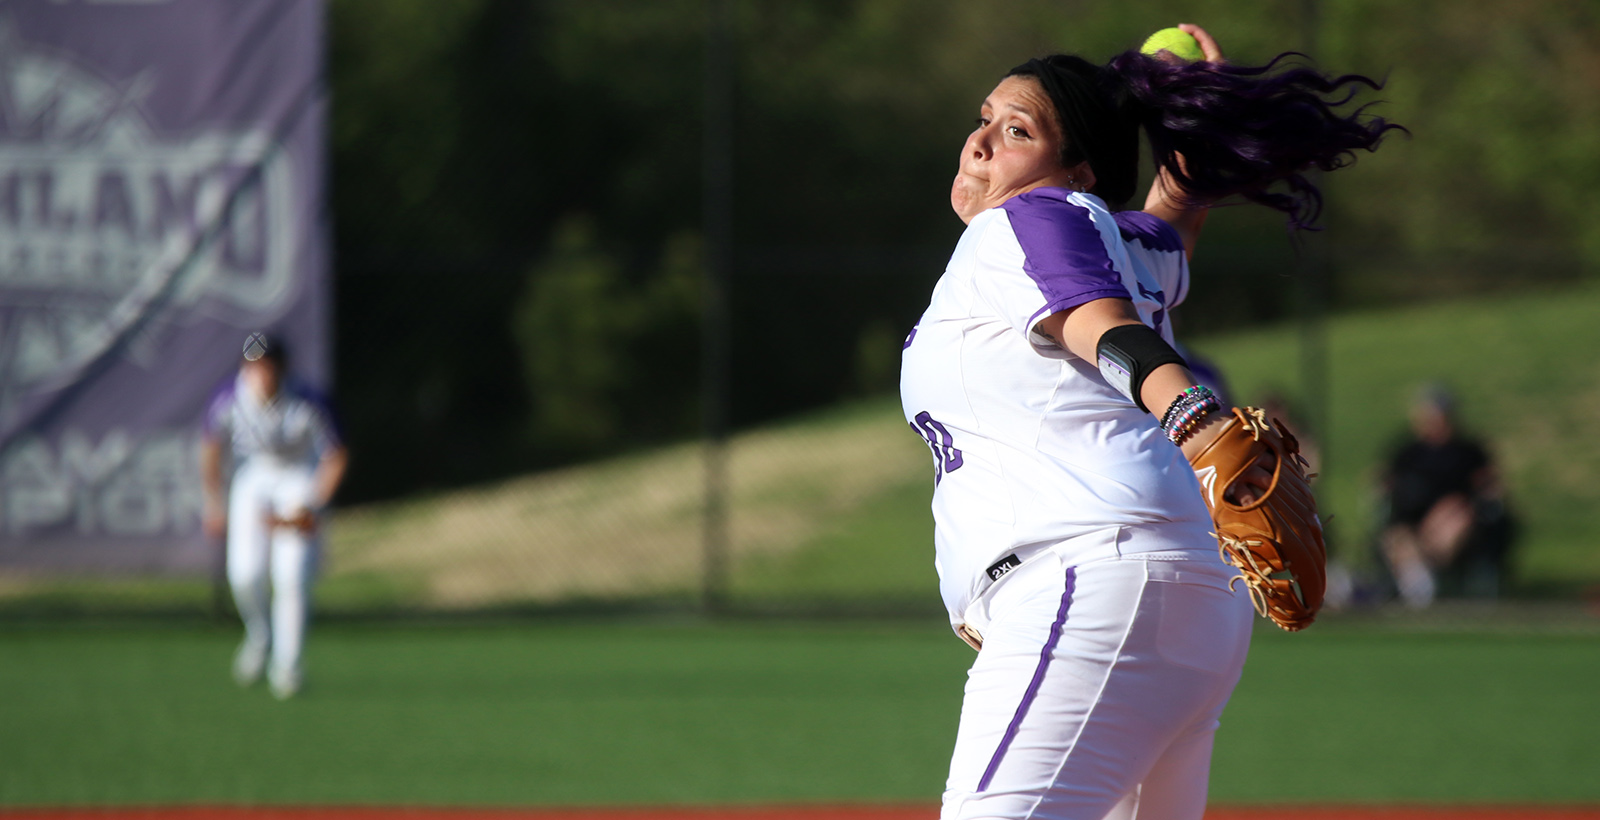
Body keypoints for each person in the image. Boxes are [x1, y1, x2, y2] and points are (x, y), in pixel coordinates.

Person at [899, 24, 1398, 819]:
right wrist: (1185, 111)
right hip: (1173, 602)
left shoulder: (1019, 221)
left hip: (1091, 583)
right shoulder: (1113, 244)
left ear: (1078, 173)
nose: (982, 142)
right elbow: (1171, 222)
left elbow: (1103, 326)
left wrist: (1198, 423)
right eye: (985, 118)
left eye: (1018, 131)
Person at [202, 333, 348, 700]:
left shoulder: (308, 400)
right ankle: (259, 635)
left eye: (266, 366)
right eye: (253, 366)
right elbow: (211, 446)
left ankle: (288, 667)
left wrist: (314, 505)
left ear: (281, 368)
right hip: (255, 479)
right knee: (245, 574)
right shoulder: (231, 396)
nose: (260, 374)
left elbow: (336, 455)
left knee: (291, 576)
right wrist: (215, 503)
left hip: (299, 479)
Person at [1378, 384, 1513, 607]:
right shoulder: (1407, 452)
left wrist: (1458, 507)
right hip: (1412, 522)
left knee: (1452, 521)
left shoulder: (1468, 452)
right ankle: (1420, 584)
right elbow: (1386, 483)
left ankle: (1421, 580)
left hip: (1456, 520)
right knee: (1397, 539)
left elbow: (1489, 487)